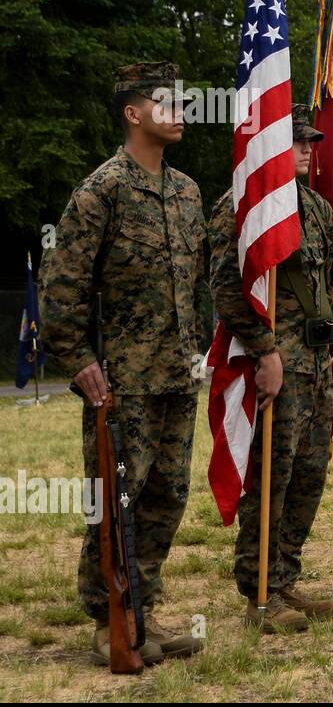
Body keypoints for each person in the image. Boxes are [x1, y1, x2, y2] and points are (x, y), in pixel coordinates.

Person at [40, 61, 205, 666]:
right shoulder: (100, 191)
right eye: (165, 103)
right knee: (116, 496)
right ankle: (107, 617)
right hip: (123, 382)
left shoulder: (186, 193)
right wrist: (78, 359)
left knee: (167, 493)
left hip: (177, 376)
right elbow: (62, 287)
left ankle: (144, 606)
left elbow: (197, 285)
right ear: (133, 113)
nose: (180, 112)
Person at [209, 107, 333, 629]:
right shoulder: (244, 206)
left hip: (316, 370)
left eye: (310, 142)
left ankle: (285, 579)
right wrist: (264, 349)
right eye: (297, 141)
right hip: (277, 369)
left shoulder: (319, 210)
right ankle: (259, 590)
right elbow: (227, 288)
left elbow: (331, 294)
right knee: (271, 478)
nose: (306, 150)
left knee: (307, 476)